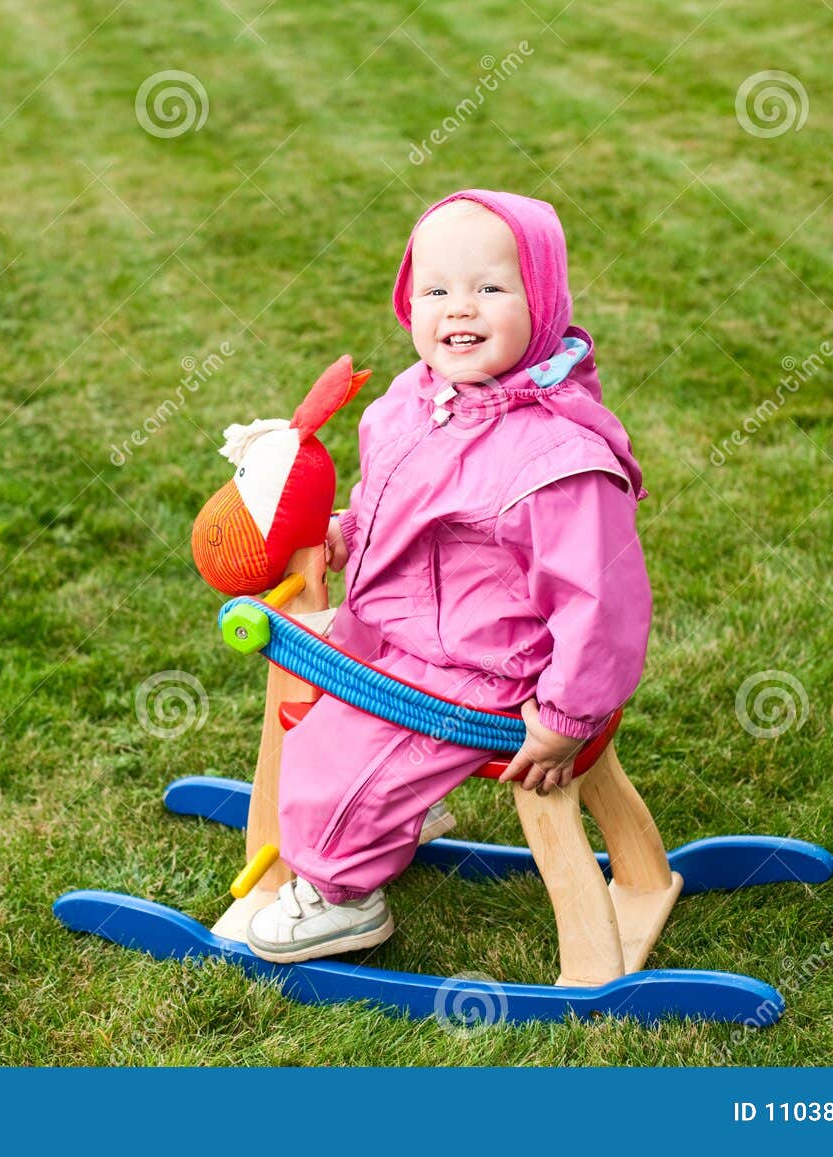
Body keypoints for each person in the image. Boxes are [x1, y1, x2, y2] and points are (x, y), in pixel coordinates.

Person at [245, 189, 653, 964]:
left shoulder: (554, 460)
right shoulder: (419, 398)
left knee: (334, 755)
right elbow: (397, 500)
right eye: (435, 290)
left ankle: (340, 893)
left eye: (490, 287)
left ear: (543, 301)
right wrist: (348, 533)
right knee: (324, 701)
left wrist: (567, 714)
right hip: (406, 632)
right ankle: (397, 807)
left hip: (487, 671)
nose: (459, 307)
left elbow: (601, 600)